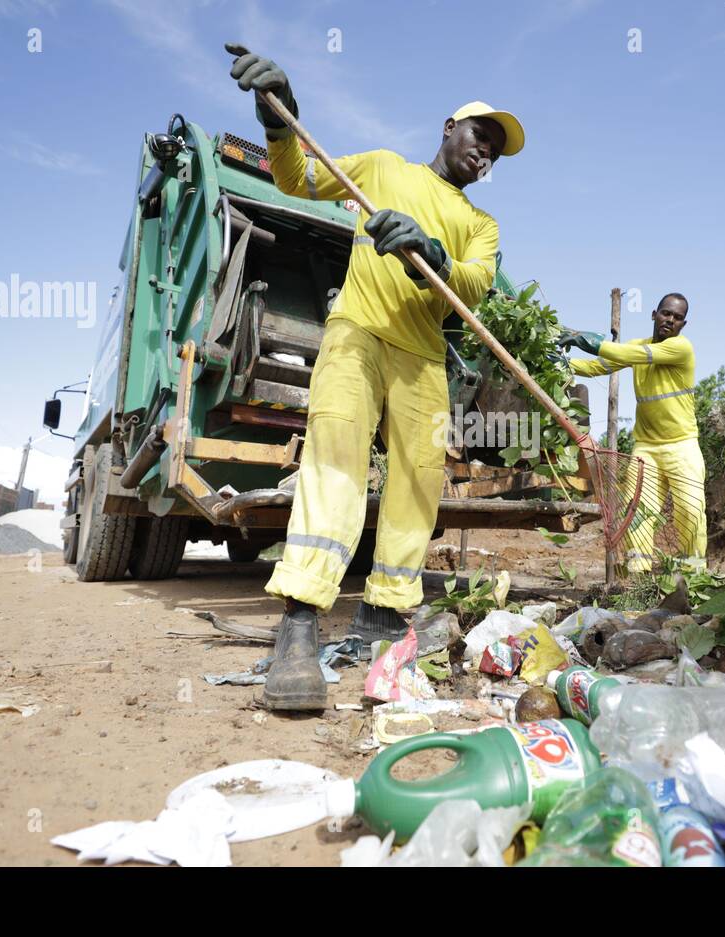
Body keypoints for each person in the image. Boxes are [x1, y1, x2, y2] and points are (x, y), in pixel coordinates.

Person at [225, 42, 525, 710]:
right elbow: (296, 179)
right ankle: (299, 627)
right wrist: (281, 120)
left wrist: (431, 248)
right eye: (481, 136)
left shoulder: (482, 223)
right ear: (450, 128)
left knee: (418, 483)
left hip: (422, 359)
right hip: (357, 334)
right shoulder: (383, 168)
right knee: (333, 464)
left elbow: (474, 284)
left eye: (495, 152)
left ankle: (384, 617)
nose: (485, 153)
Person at [559, 293, 706, 573]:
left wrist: (585, 339)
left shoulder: (680, 348)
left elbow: (635, 355)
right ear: (654, 314)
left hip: (681, 446)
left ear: (683, 324)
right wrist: (564, 364)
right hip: (647, 447)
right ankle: (638, 579)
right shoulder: (639, 346)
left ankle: (694, 577)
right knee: (636, 511)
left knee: (691, 511)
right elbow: (597, 367)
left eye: (676, 318)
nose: (669, 320)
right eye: (665, 313)